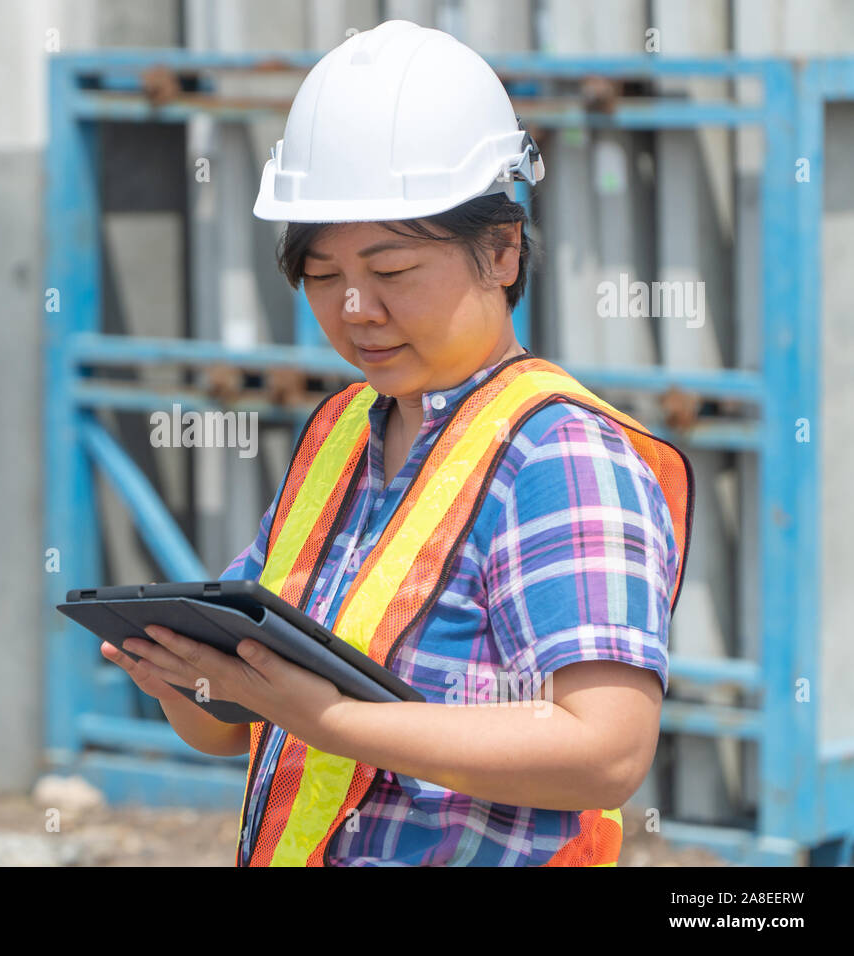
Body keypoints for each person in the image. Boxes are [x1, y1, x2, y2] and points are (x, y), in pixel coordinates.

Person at [100, 20, 693, 866]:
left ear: (501, 250)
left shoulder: (557, 456)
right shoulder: (341, 436)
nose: (355, 309)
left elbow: (605, 752)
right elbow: (234, 731)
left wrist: (332, 720)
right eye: (323, 275)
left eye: (393, 272)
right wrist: (186, 677)